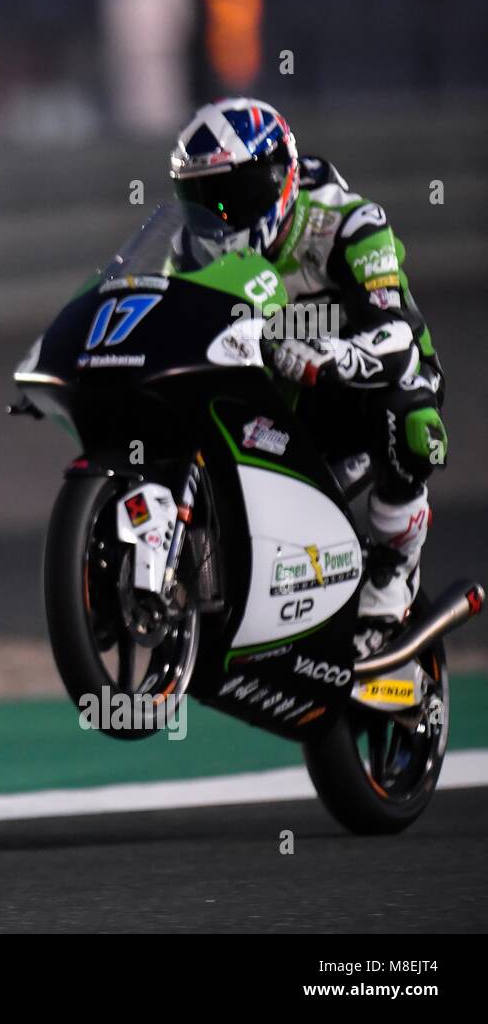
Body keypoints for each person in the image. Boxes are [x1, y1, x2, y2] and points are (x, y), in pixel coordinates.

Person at [169, 97, 447, 657]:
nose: (219, 217)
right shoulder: (189, 255)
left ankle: (394, 572)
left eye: (232, 196)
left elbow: (396, 337)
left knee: (411, 420)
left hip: (367, 389)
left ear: (279, 180)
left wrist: (330, 357)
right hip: (280, 401)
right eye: (203, 202)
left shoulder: (347, 223)